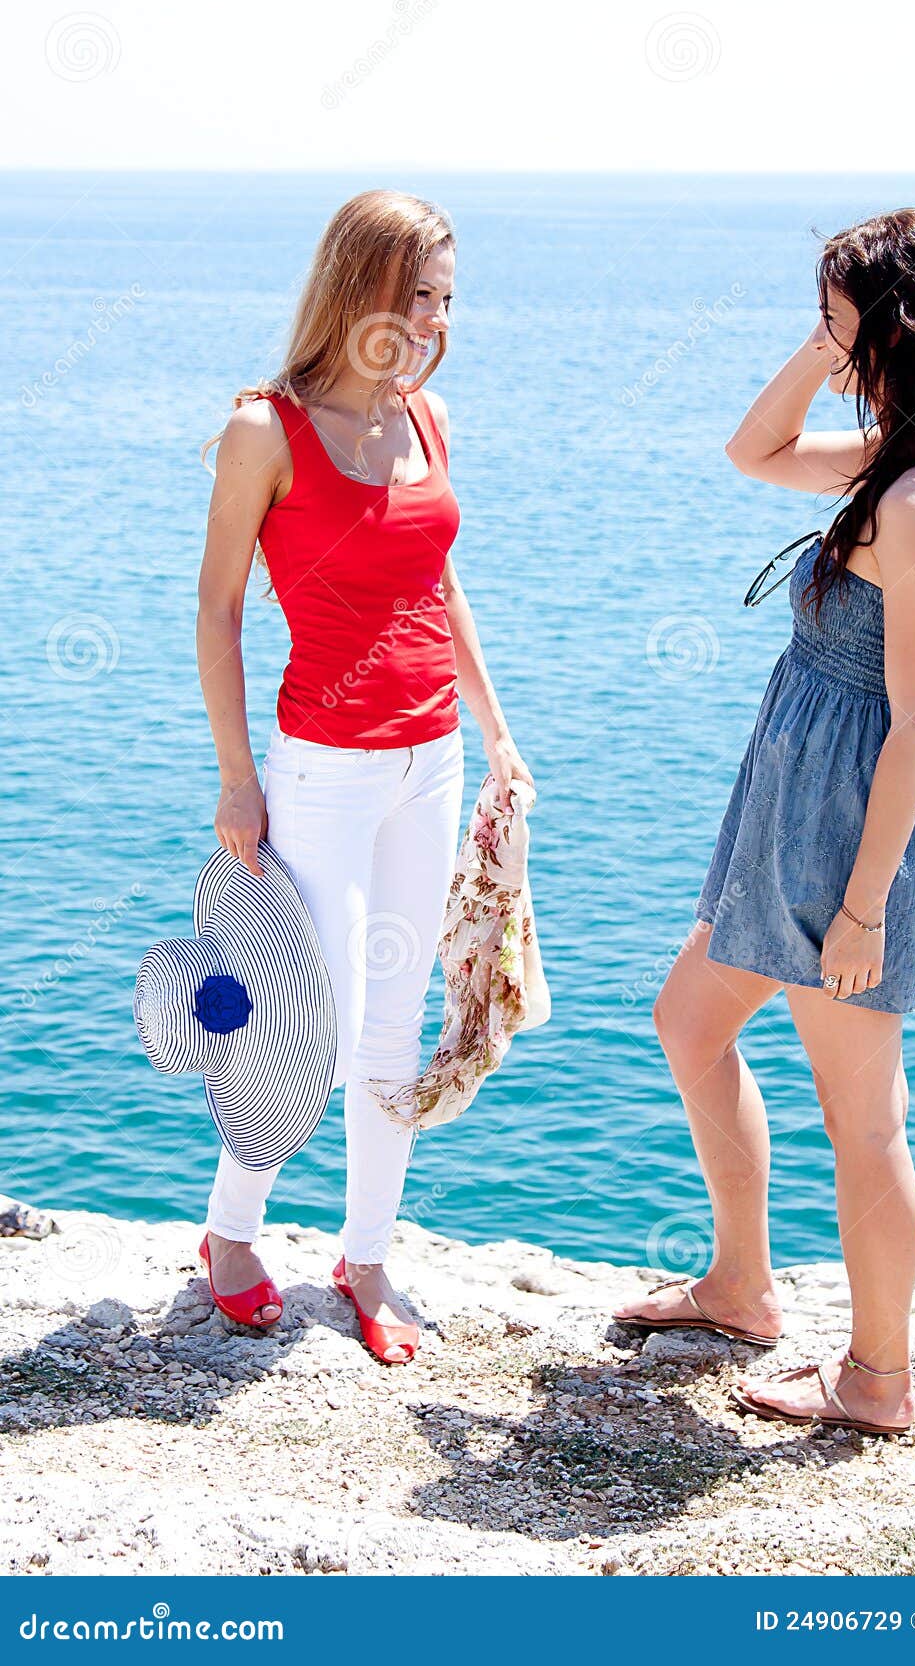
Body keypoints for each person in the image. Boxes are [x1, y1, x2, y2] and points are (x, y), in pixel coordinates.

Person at [614, 209, 915, 1434]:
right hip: (790, 808)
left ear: (892, 330)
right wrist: (818, 338)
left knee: (862, 1119)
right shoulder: (899, 456)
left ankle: (875, 1380)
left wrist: (857, 908)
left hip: (850, 832)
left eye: (838, 311)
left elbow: (914, 724)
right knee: (688, 1021)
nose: (825, 329)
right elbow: (752, 449)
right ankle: (739, 1285)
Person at [194, 189, 533, 1362]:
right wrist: (240, 779)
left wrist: (494, 731)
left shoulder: (427, 419)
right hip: (321, 769)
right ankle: (230, 1236)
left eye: (446, 297)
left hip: (427, 760)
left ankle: (368, 1258)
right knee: (307, 1014)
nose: (435, 320)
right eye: (417, 294)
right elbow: (220, 608)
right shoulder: (264, 430)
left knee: (395, 1017)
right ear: (360, 288)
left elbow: (440, 585)